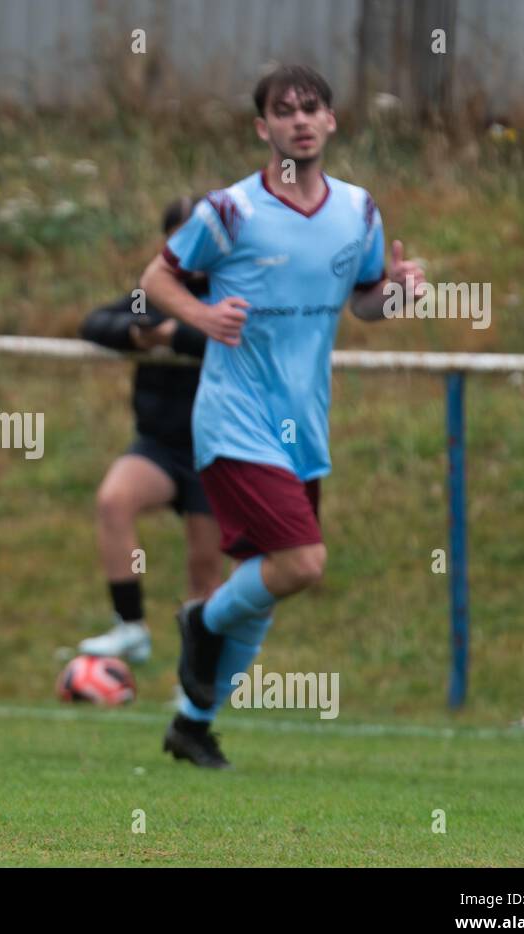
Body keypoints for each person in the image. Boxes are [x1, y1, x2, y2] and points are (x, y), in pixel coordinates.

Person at [139, 65, 425, 768]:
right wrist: (203, 313)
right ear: (262, 127)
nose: (299, 120)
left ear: (331, 121)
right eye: (283, 111)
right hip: (234, 418)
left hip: (306, 423)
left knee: (264, 588)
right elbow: (155, 280)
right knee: (301, 561)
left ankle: (192, 723)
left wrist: (398, 294)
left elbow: (363, 301)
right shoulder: (230, 211)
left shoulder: (358, 212)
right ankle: (200, 620)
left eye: (312, 108)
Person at [77, 196, 223, 663]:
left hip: (217, 450)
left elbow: (230, 337)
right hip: (160, 446)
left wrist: (171, 336)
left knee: (204, 572)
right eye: (183, 240)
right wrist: (136, 334)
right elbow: (94, 322)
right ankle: (130, 627)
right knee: (113, 500)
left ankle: (199, 673)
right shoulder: (154, 292)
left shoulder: (232, 288)